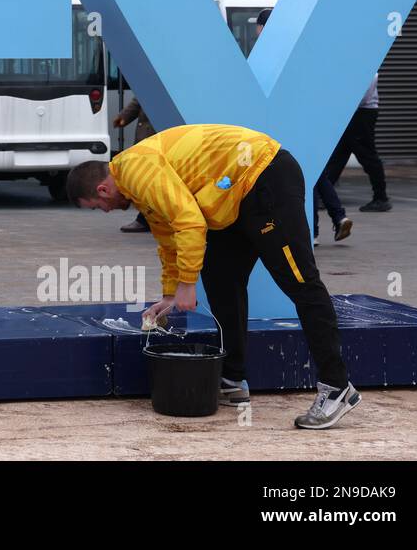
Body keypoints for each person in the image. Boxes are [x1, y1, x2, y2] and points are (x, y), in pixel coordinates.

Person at [66, 123, 360, 430]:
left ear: (102, 189)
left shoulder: (135, 170)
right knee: (221, 280)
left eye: (98, 206)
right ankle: (232, 379)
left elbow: (190, 223)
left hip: (264, 174)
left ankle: (337, 386)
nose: (106, 211)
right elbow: (169, 237)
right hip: (233, 196)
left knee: (301, 283)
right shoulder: (135, 183)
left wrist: (187, 285)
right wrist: (170, 295)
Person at [254, 7, 352, 243]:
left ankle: (315, 230)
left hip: (285, 122)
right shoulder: (295, 51)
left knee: (303, 173)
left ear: (262, 28)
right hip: (308, 119)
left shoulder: (267, 53)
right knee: (313, 171)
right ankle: (336, 218)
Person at [334, 76, 390, 213]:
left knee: (367, 155)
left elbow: (363, 97)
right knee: (338, 155)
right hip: (353, 112)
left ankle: (381, 198)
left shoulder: (368, 69)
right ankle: (324, 195)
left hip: (362, 113)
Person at [113, 96, 154, 234]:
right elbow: (139, 99)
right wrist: (124, 116)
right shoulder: (154, 82)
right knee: (146, 180)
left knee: (150, 181)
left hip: (159, 138)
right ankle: (146, 219)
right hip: (147, 139)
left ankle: (146, 219)